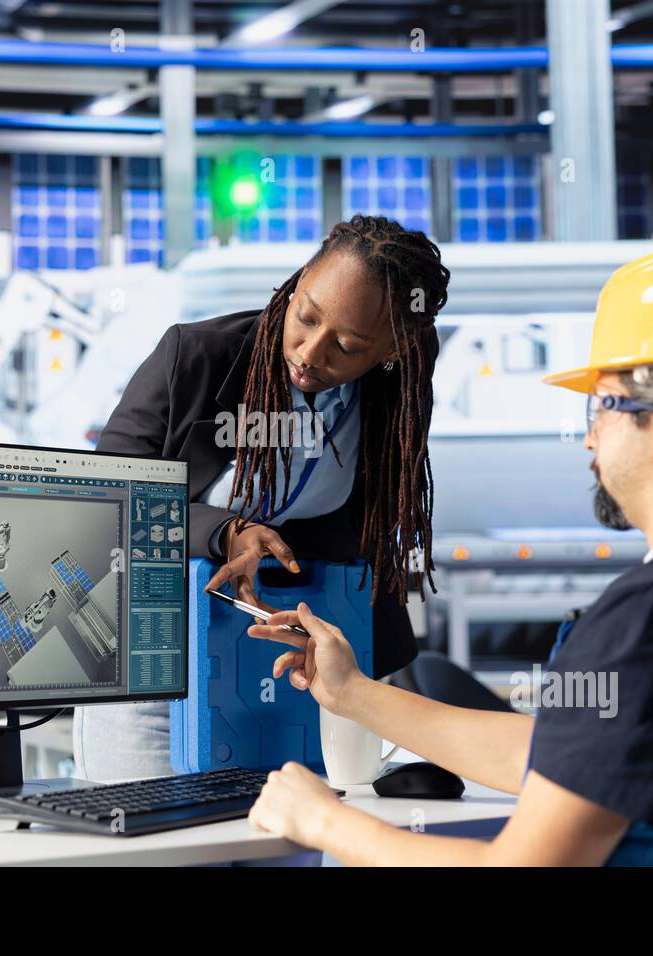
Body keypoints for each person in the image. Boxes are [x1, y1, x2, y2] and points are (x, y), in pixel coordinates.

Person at [243, 243, 653, 865]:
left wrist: (323, 820)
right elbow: (564, 753)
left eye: (601, 406)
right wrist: (352, 692)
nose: (589, 439)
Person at [74, 215, 450, 781]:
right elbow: (104, 500)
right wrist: (225, 532)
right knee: (161, 843)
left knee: (288, 845)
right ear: (295, 285)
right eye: (306, 317)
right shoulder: (197, 357)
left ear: (391, 349)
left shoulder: (398, 384)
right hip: (159, 663)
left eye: (347, 345)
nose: (311, 352)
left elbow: (358, 523)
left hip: (300, 661)